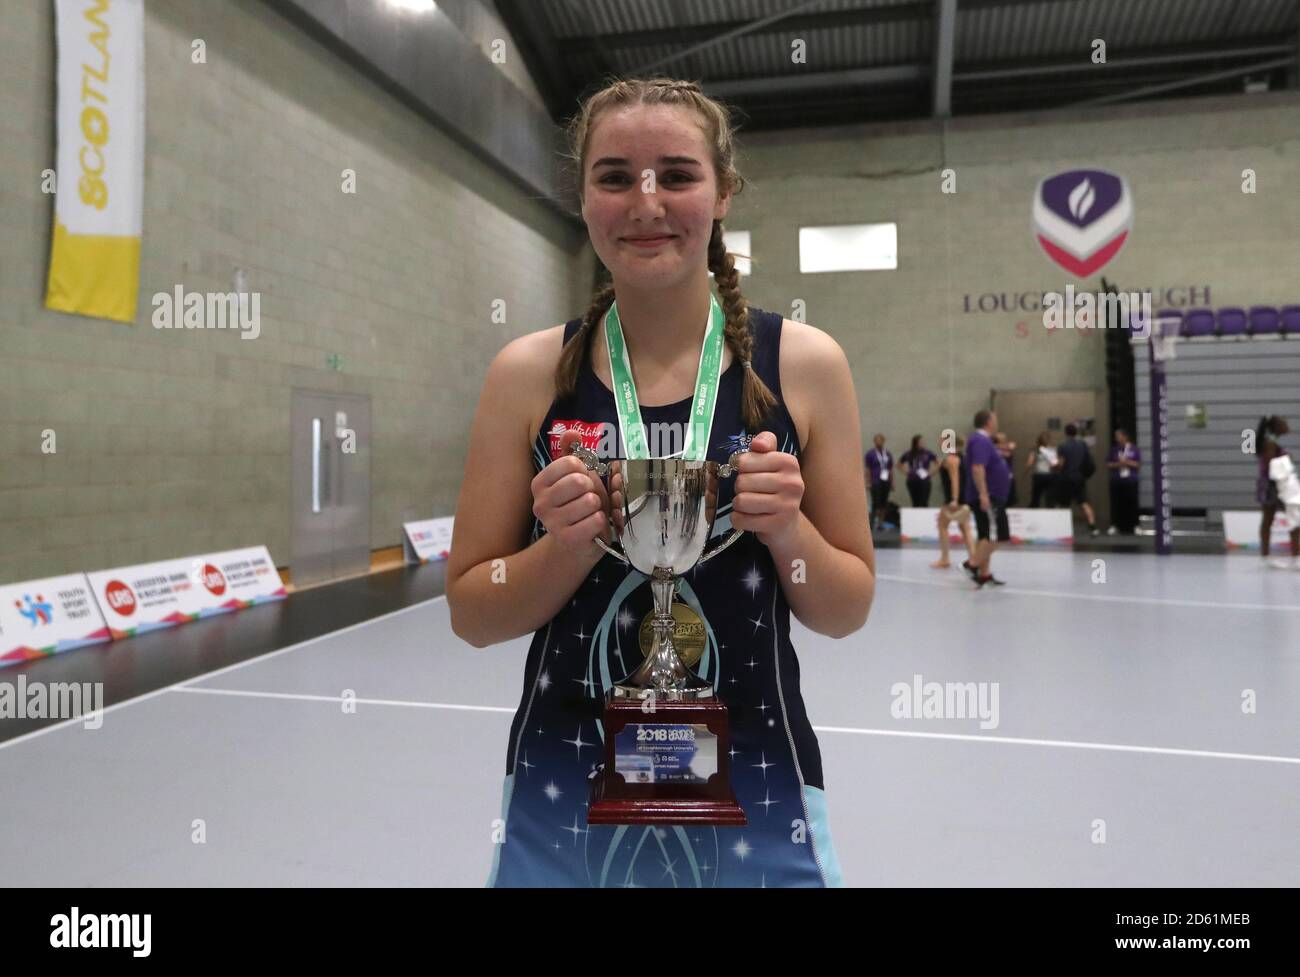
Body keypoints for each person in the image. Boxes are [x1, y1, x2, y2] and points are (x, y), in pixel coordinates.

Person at [446, 78, 874, 888]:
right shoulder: (528, 373)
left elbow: (846, 607)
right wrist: (566, 548)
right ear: (582, 198)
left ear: (722, 195)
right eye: (615, 176)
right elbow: (473, 611)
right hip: (564, 782)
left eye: (677, 175)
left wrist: (790, 530)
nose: (647, 202)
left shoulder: (806, 366)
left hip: (758, 779)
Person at [965, 410, 1012, 587]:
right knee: (1001, 534)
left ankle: (984, 574)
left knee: (985, 536)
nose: (997, 423)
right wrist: (984, 494)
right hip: (989, 496)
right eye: (995, 419)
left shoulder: (984, 441)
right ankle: (971, 565)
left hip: (992, 494)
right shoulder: (980, 440)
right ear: (988, 422)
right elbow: (978, 467)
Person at [930, 435, 977, 573]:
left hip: (955, 498)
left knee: (942, 525)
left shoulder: (951, 459)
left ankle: (945, 558)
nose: (939, 442)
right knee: (965, 528)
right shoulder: (959, 457)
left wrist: (954, 499)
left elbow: (955, 479)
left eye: (942, 440)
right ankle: (974, 559)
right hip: (963, 497)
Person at [1256, 415, 1298, 568]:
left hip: (1272, 487)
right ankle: (1295, 557)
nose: (1287, 425)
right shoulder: (1270, 444)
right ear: (1278, 427)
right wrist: (1286, 459)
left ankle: (1266, 555)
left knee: (1268, 520)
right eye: (1284, 423)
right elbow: (1272, 468)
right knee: (1294, 520)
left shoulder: (1271, 443)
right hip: (1274, 488)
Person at [1055, 423, 1098, 536]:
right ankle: (1093, 526)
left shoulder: (1063, 446)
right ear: (1076, 432)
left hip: (1066, 478)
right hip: (1079, 477)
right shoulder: (1082, 444)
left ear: (1066, 433)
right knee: (1084, 503)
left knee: (1064, 504)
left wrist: (1054, 466)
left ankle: (1061, 527)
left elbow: (1061, 464)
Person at [1106, 428, 1141, 535]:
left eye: (1119, 435)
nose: (1116, 438)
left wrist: (1126, 462)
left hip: (1130, 480)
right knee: (1116, 503)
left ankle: (1135, 525)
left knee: (1132, 503)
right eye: (1116, 436)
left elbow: (1137, 465)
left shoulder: (1134, 449)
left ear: (1125, 437)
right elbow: (1109, 464)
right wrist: (1118, 464)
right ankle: (1115, 525)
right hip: (1117, 480)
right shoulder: (1114, 450)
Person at [898, 434, 937, 507]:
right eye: (920, 442)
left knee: (924, 501)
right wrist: (906, 471)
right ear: (915, 443)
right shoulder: (909, 453)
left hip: (924, 480)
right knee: (915, 502)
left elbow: (938, 462)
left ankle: (924, 517)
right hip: (913, 479)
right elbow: (899, 463)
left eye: (923, 442)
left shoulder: (927, 453)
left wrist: (931, 472)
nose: (922, 443)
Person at [865, 434, 893, 529]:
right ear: (874, 441)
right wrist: (868, 482)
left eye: (880, 440)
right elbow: (868, 469)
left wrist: (892, 481)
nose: (879, 442)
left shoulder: (887, 454)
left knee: (884, 502)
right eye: (877, 440)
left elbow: (890, 468)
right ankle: (872, 522)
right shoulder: (870, 454)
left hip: (885, 480)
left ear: (883, 441)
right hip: (875, 480)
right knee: (876, 502)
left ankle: (881, 522)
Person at [1025, 431, 1059, 509]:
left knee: (1035, 498)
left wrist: (1026, 472)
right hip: (1049, 475)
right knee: (1050, 499)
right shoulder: (1053, 449)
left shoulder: (1035, 449)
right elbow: (1055, 463)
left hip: (1038, 475)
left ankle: (1033, 514)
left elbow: (1029, 463)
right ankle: (1051, 515)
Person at [993, 432, 1018, 507]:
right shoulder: (993, 448)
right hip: (997, 478)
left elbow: (1012, 446)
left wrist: (1001, 447)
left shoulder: (1006, 447)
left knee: (1009, 500)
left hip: (1008, 477)